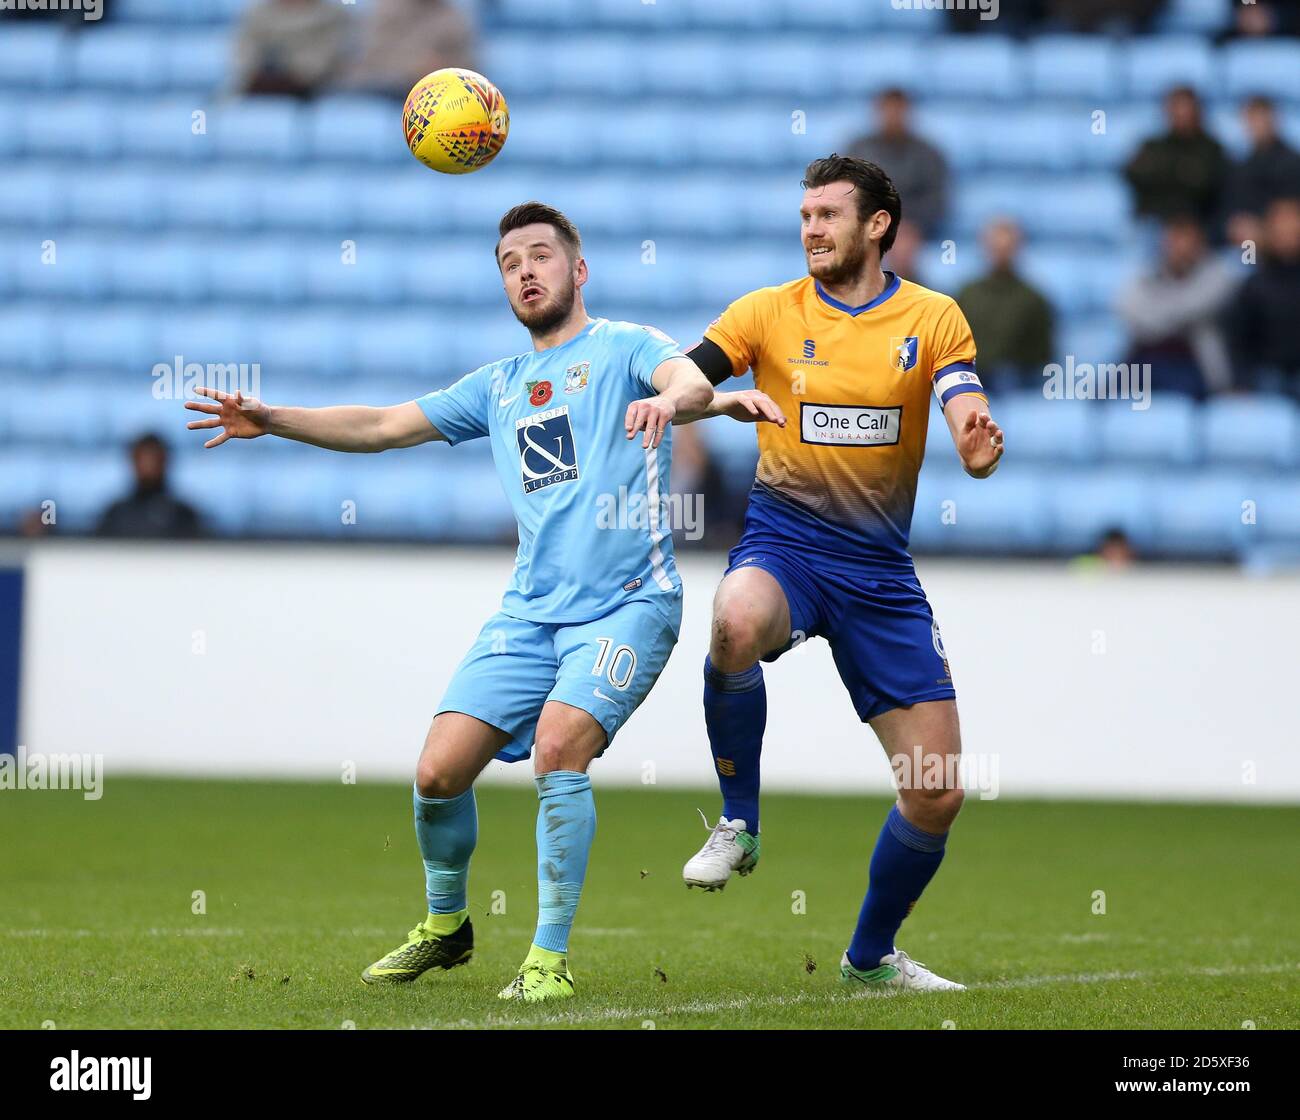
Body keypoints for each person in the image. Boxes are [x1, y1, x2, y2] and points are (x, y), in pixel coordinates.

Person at [184, 202, 782, 1004]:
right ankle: (446, 927)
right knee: (436, 773)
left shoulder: (625, 347)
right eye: (510, 262)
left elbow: (687, 375)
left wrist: (679, 400)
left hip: (629, 605)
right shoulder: (499, 386)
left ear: (579, 269)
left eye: (541, 255)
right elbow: (384, 424)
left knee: (558, 750)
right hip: (530, 614)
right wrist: (275, 418)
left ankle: (548, 959)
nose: (526, 271)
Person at [677, 155, 1004, 993]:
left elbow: (964, 398)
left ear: (878, 225)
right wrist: (692, 396)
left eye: (829, 214)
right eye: (806, 215)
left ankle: (869, 958)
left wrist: (974, 439)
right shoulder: (767, 311)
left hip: (880, 576)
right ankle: (739, 822)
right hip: (786, 546)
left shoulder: (933, 317)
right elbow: (690, 373)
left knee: (935, 793)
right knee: (733, 620)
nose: (812, 229)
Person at [1118, 214, 1238, 398]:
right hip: (1144, 358)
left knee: (1175, 408)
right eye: (1173, 240)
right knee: (1102, 398)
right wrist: (1170, 315)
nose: (1178, 248)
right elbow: (1127, 310)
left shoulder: (1218, 275)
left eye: (1185, 240)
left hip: (1190, 362)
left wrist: (1156, 311)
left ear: (1199, 245)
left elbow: (1196, 306)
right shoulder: (1147, 274)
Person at [956, 217, 1055, 389]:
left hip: (1020, 383)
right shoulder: (966, 295)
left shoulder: (1034, 299)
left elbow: (1043, 354)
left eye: (1007, 247)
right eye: (996, 247)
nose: (1001, 253)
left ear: (1018, 248)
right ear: (985, 247)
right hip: (972, 379)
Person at [845, 89, 948, 237]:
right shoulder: (858, 150)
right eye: (888, 111)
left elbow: (937, 200)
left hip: (915, 231)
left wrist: (904, 223)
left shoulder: (928, 154)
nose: (893, 117)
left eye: (898, 111)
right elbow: (845, 194)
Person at [1124, 87, 1228, 231]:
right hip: (1156, 224)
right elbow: (1133, 174)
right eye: (1176, 108)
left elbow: (1204, 186)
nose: (1181, 114)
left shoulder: (1212, 149)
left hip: (1199, 227)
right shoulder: (1152, 145)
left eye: (1185, 108)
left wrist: (1164, 172)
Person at [1225, 196, 1300, 395]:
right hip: (1266, 376)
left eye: (1293, 225)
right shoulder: (1253, 285)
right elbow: (1239, 342)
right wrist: (1240, 383)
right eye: (1280, 226)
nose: (1287, 232)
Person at [344, 0, 476, 100]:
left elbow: (468, 68)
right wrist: (415, 67)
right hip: (384, 86)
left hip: (435, 94)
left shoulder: (454, 19)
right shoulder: (387, 9)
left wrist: (441, 69)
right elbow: (374, 57)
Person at [232, 0, 350, 99]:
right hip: (257, 89)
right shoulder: (257, 14)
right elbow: (244, 53)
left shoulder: (333, 15)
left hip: (314, 90)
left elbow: (323, 58)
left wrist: (291, 68)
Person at [1224, 97, 1300, 250]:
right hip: (1248, 242)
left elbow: (1291, 212)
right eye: (1252, 120)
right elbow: (1231, 208)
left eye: (1262, 119)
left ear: (1274, 120)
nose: (1257, 125)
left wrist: (1263, 228)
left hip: (1283, 243)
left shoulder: (1293, 163)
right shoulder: (1242, 166)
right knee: (1246, 252)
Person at [96, 433, 202, 539]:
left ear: (165, 461)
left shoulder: (183, 516)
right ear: (133, 462)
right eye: (143, 458)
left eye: (154, 458)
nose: (148, 465)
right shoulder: (116, 515)